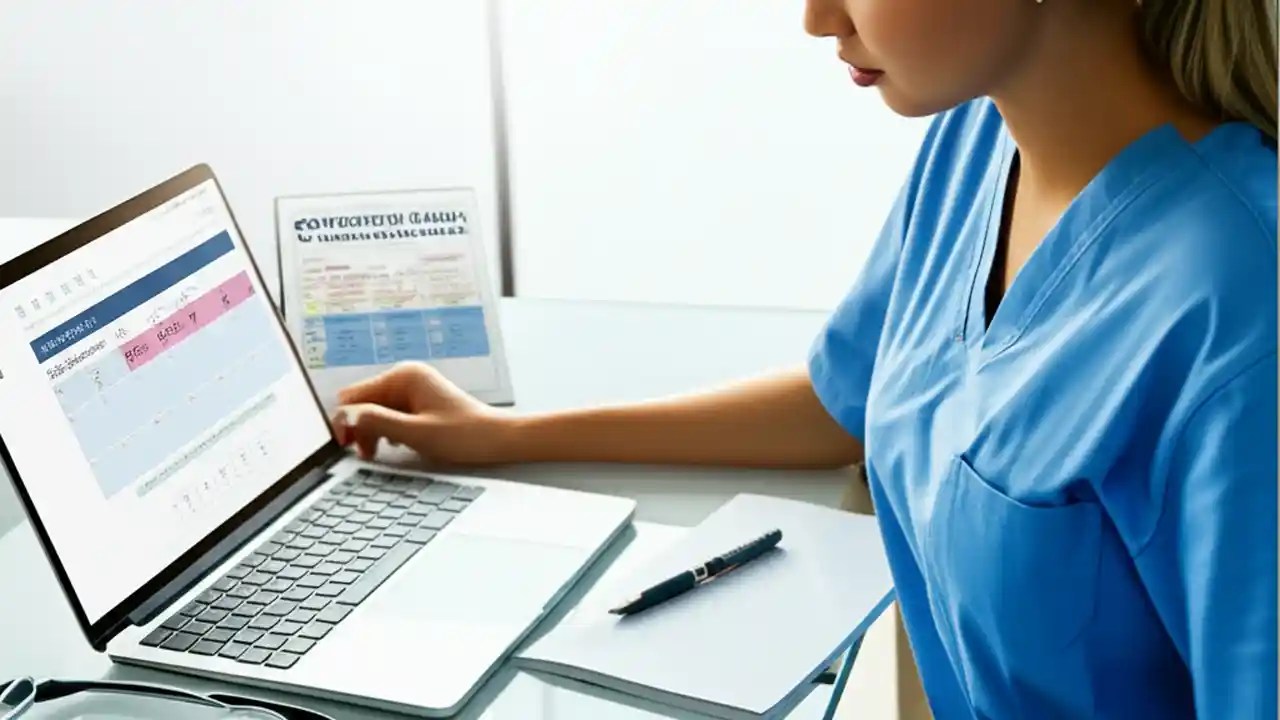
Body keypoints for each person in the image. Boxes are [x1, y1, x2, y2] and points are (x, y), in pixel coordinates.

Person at [330, 0, 1278, 716]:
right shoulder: (977, 146)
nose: (816, 16)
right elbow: (846, 403)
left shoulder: (1239, 315)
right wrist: (502, 436)